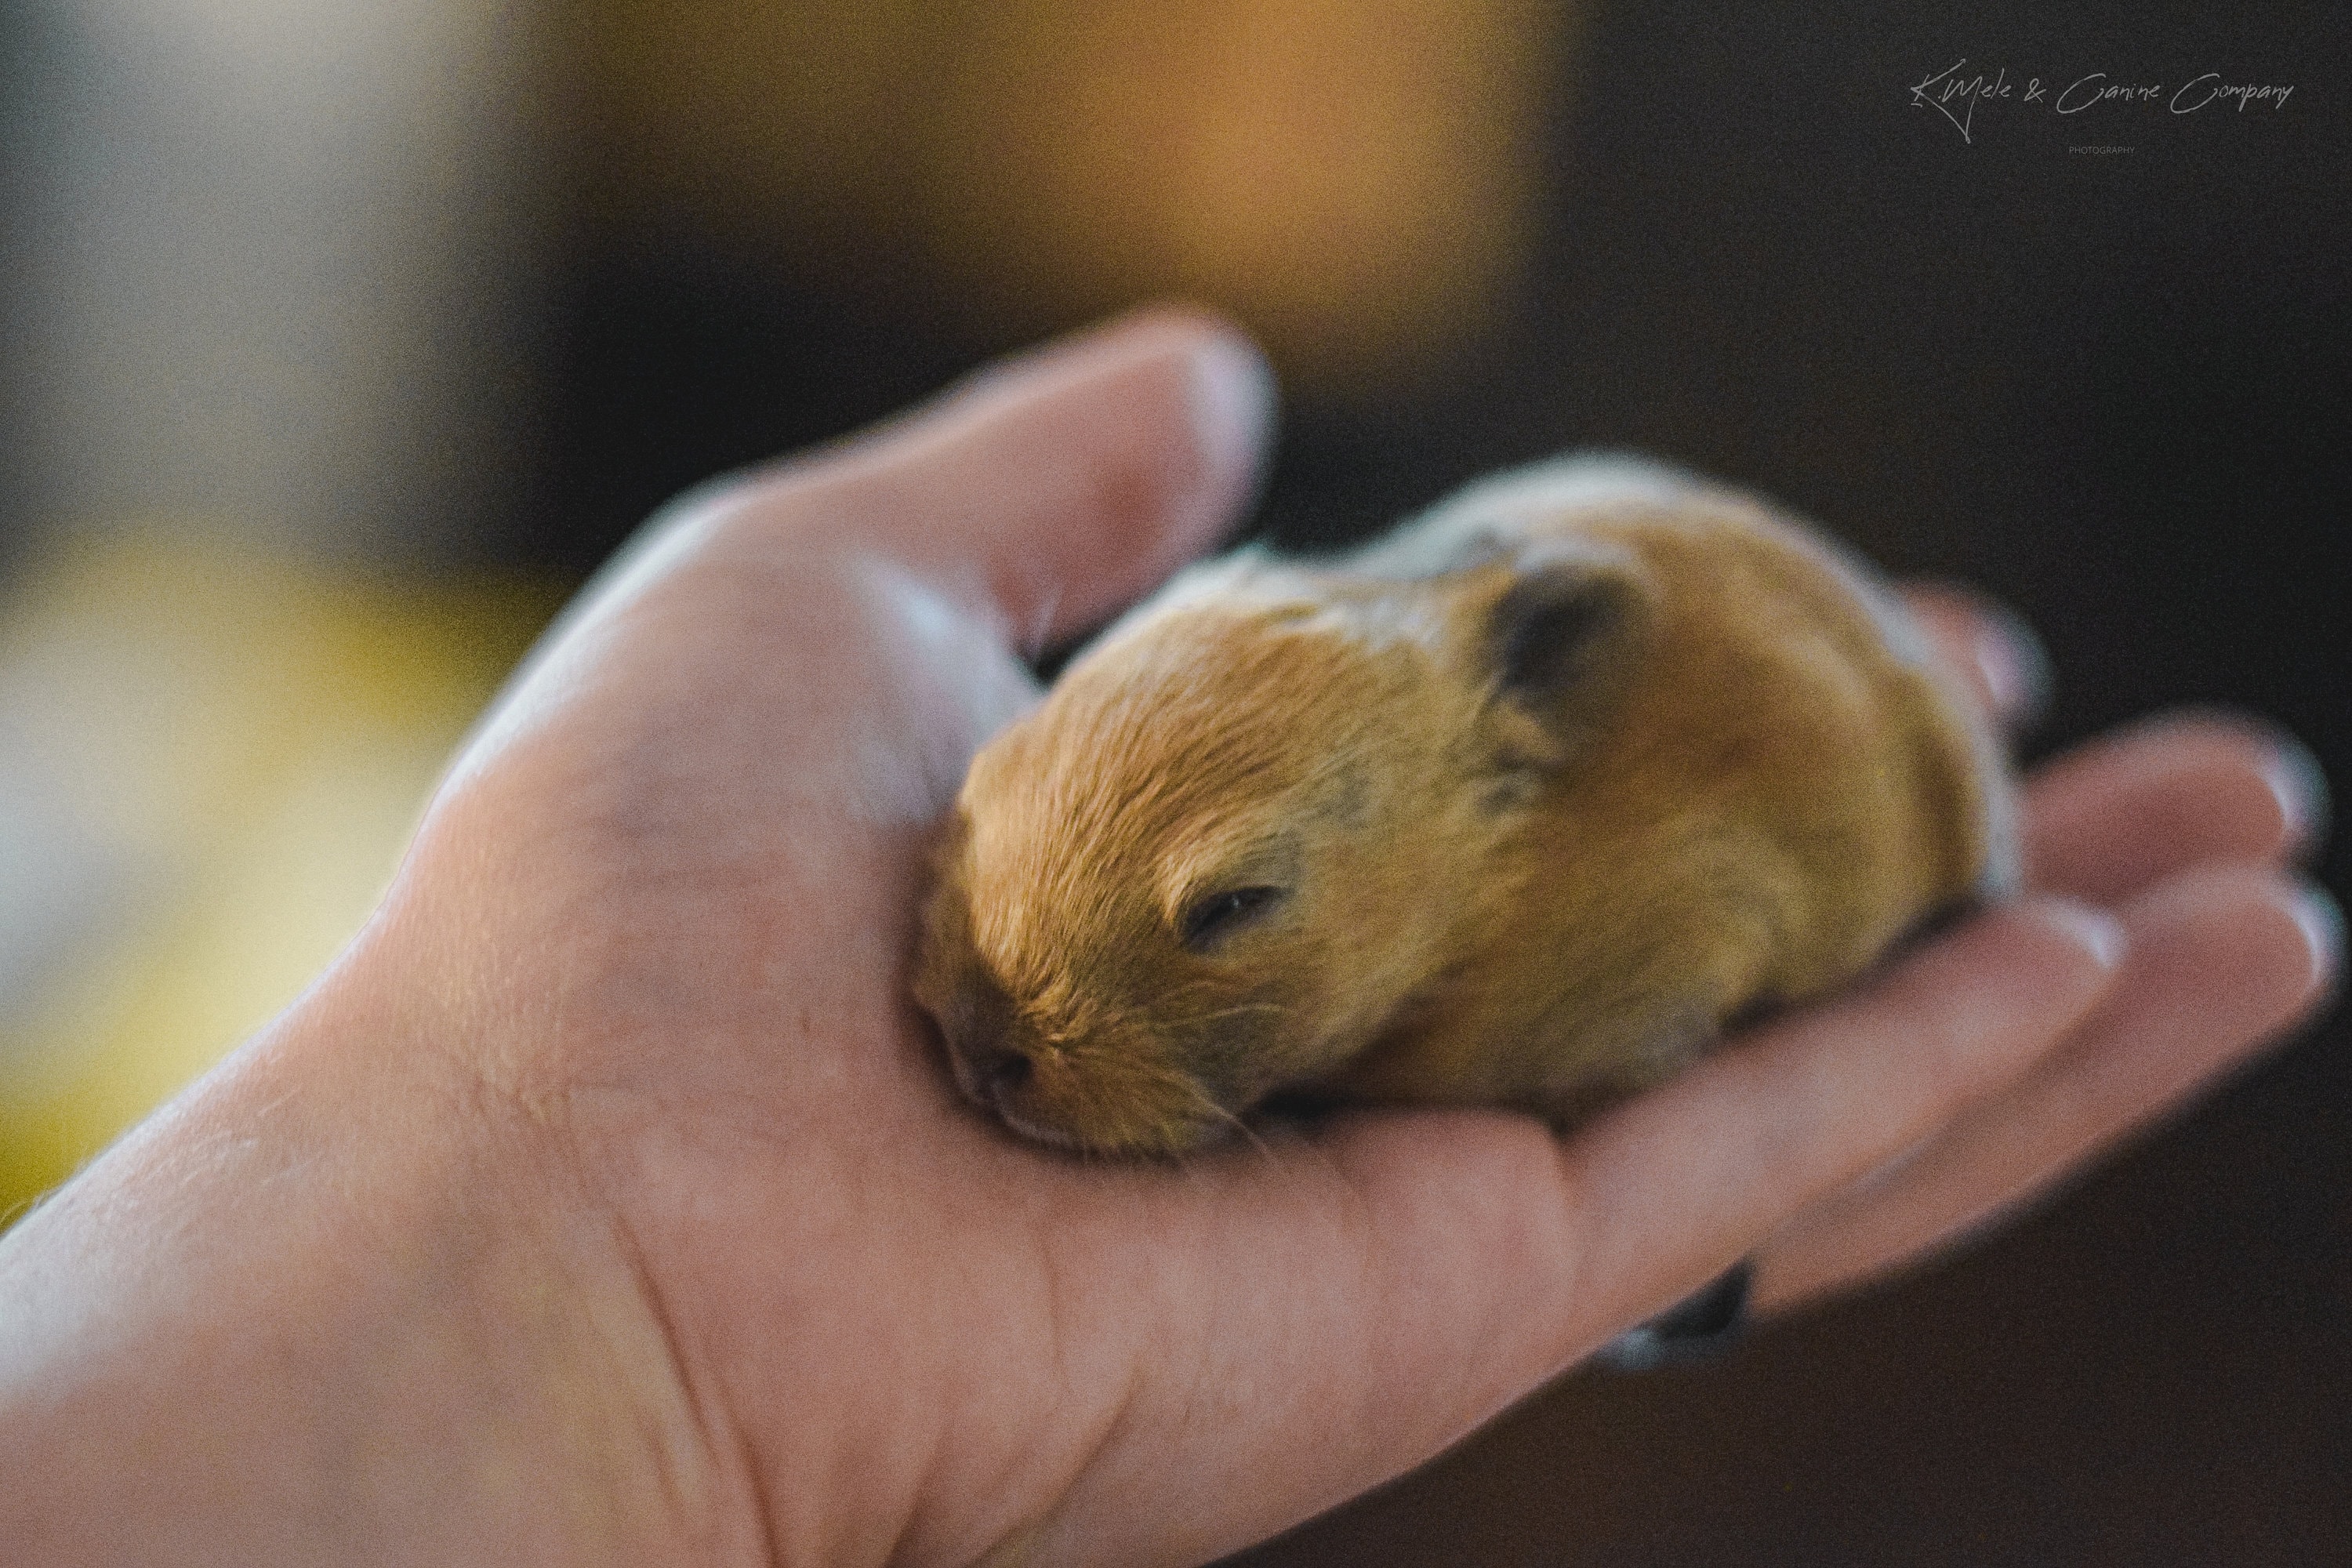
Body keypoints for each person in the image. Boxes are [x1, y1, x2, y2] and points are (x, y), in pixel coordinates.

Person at [0, 310, 2334, 1567]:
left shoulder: (1559, 924)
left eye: (1223, 919)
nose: (992, 1031)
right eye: (983, 831)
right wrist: (577, 1258)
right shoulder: (1253, 699)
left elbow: (1714, 923)